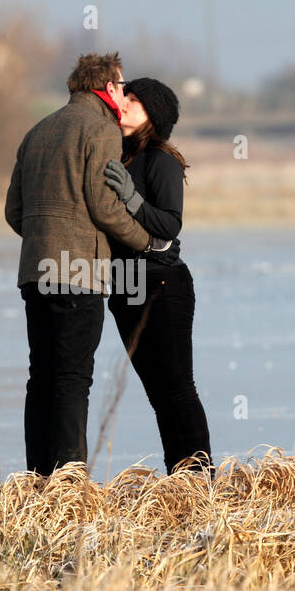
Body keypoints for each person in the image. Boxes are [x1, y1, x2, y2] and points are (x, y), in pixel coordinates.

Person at [5, 53, 151, 477]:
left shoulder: (37, 132)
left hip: (36, 273)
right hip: (79, 274)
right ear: (106, 88)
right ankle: (69, 485)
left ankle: (38, 481)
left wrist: (45, 240)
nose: (124, 97)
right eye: (122, 87)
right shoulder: (101, 130)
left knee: (42, 379)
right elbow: (104, 206)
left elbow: (15, 211)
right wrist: (147, 242)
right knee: (72, 379)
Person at [102, 77, 213, 475]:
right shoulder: (114, 154)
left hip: (163, 285)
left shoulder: (162, 160)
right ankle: (179, 480)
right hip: (125, 287)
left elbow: (169, 225)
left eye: (137, 101)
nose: (126, 104)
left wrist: (132, 199)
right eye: (124, 97)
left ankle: (199, 481)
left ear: (155, 116)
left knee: (178, 389)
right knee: (159, 396)